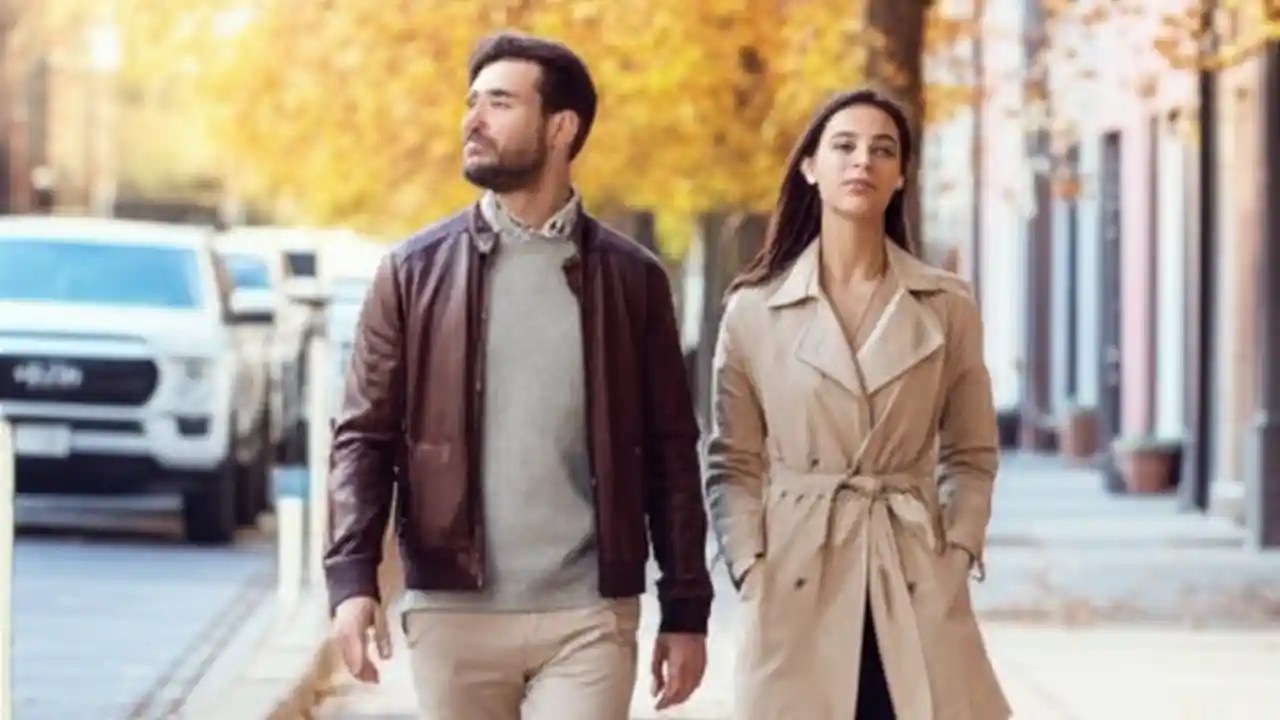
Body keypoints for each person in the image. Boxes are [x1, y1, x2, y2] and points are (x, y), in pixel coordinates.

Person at [325, 31, 712, 720]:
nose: (472, 120)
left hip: (588, 616)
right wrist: (352, 580)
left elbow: (670, 453)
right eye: (471, 103)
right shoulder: (412, 273)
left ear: (561, 128)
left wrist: (687, 608)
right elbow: (363, 437)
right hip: (454, 613)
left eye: (499, 104)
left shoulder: (632, 281)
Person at [704, 88, 1012, 719]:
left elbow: (972, 454)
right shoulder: (754, 311)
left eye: (882, 150)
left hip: (913, 568)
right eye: (843, 146)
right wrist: (749, 566)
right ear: (810, 167)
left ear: (901, 176)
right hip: (796, 571)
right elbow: (732, 461)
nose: (862, 162)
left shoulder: (946, 305)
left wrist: (957, 553)